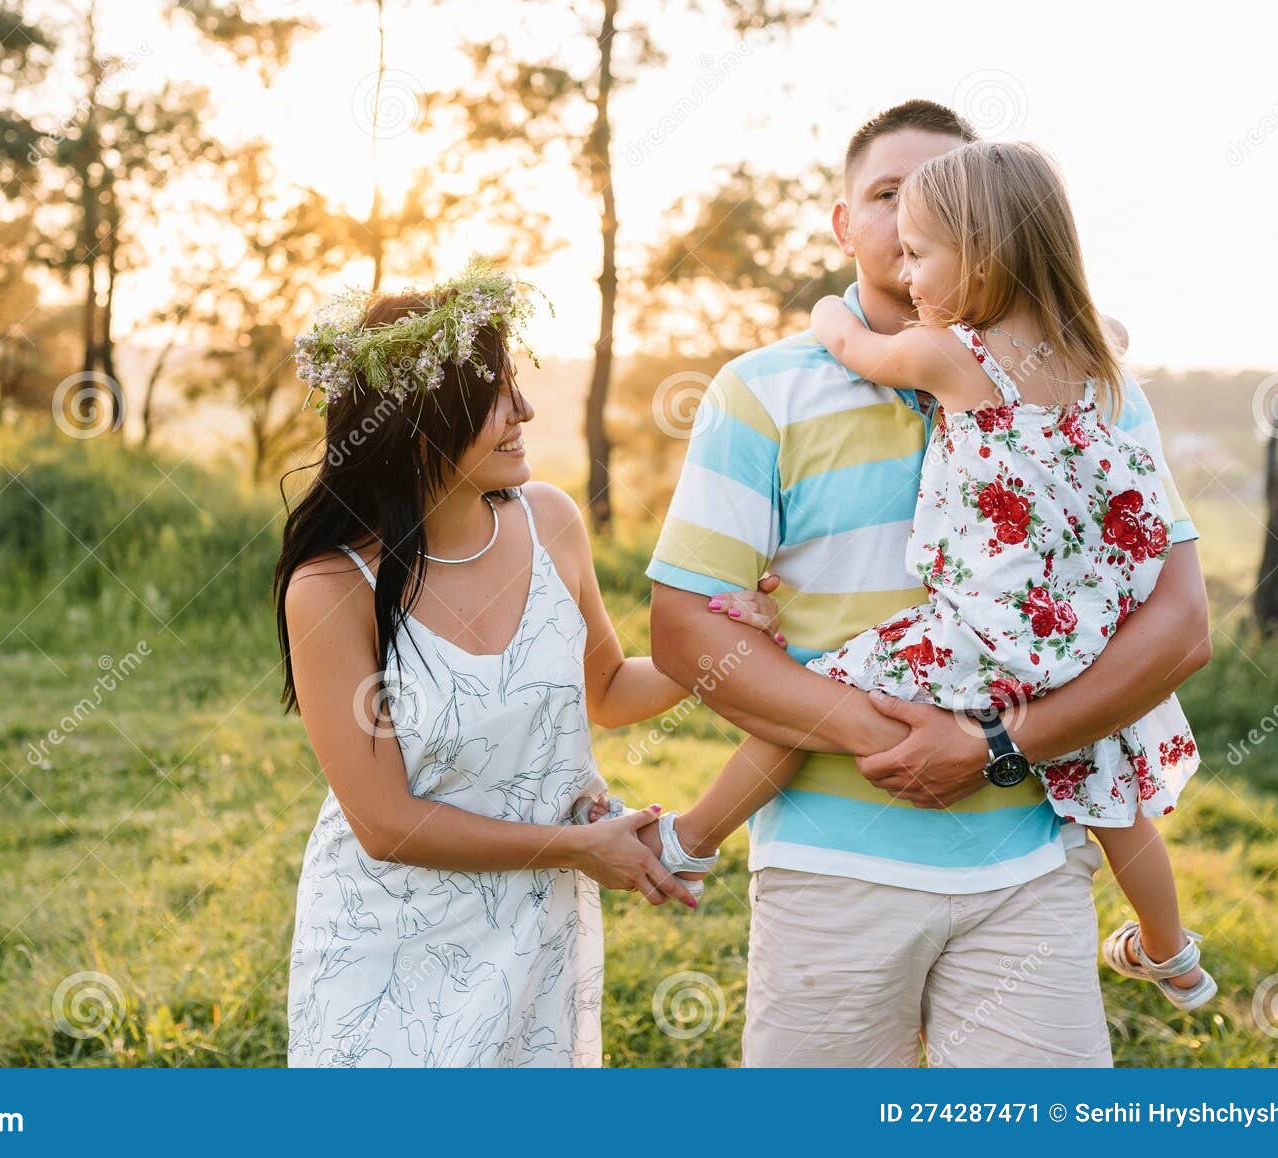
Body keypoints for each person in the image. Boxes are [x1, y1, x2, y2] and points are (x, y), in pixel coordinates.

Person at [644, 101, 1212, 1066]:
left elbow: (1183, 624)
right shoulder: (761, 392)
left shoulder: (1098, 381)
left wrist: (987, 746)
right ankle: (1170, 949)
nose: (910, 232)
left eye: (937, 206)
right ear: (844, 224)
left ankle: (690, 835)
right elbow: (684, 635)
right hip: (833, 874)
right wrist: (902, 738)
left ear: (991, 241)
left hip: (1028, 871)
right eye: (886, 196)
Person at [275, 260, 781, 1067]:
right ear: (419, 422)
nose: (525, 411)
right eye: (495, 396)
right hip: (389, 951)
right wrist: (580, 849)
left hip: (538, 930)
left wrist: (728, 636)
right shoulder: (333, 587)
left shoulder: (549, 522)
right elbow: (383, 824)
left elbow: (610, 690)